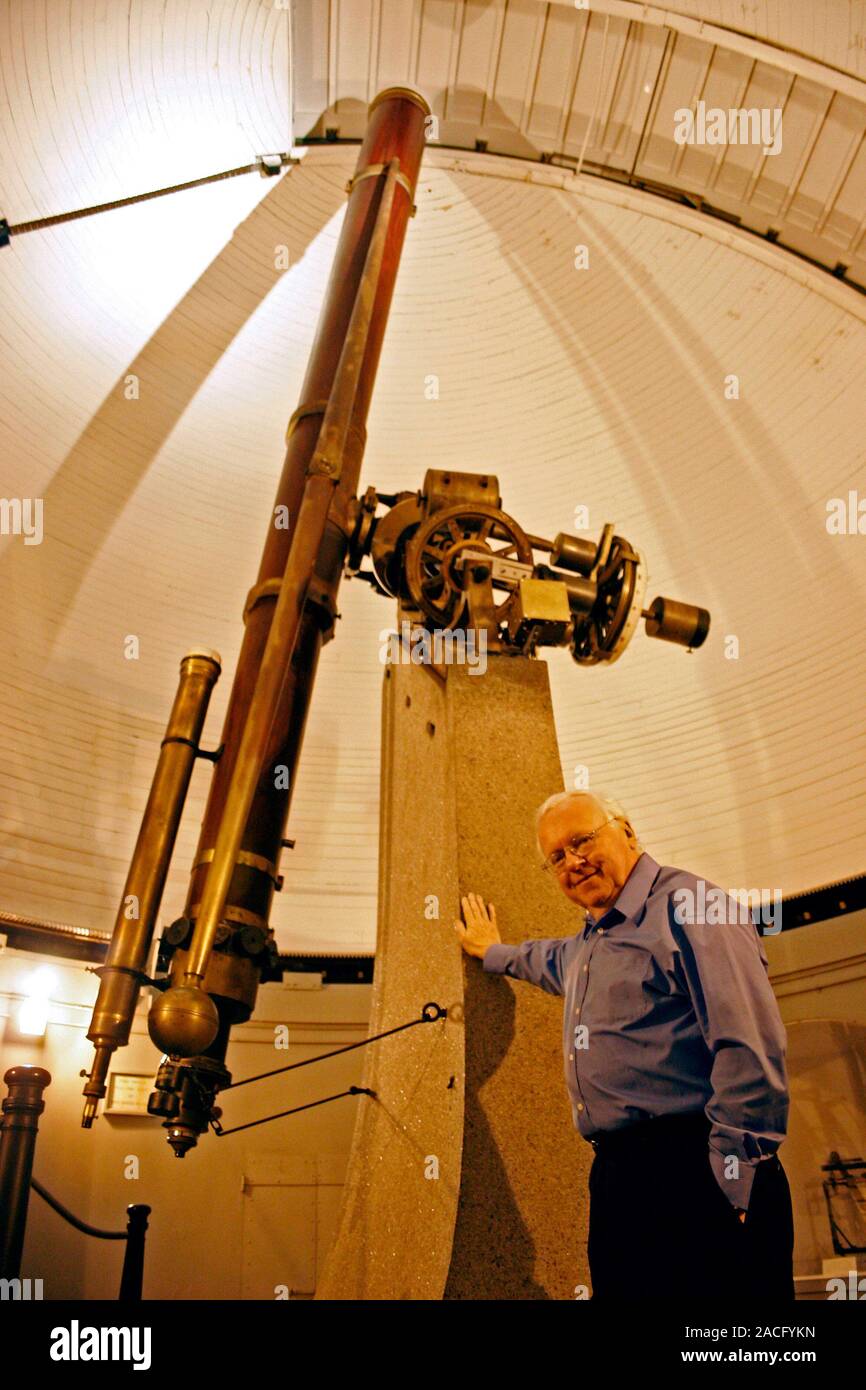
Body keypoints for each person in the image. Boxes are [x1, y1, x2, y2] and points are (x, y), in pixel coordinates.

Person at [453, 790, 795, 1300]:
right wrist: (493, 951)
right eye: (556, 857)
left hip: (697, 1167)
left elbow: (749, 1042)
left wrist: (734, 1173)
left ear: (627, 832)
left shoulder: (692, 906)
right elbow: (548, 961)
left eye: (582, 841)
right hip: (621, 1179)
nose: (573, 861)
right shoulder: (591, 943)